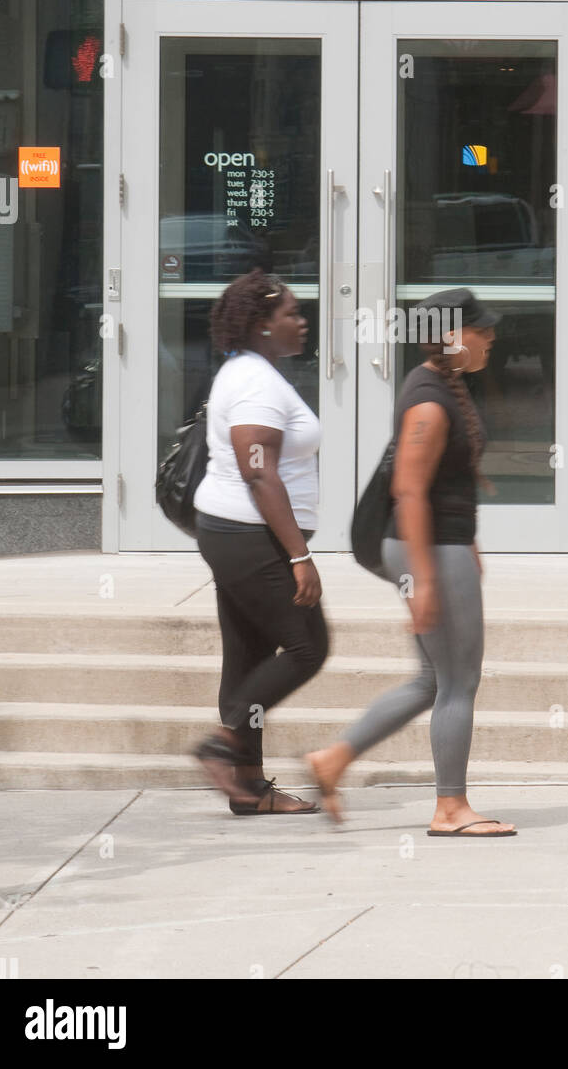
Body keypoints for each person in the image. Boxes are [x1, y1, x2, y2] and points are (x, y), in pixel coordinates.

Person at [306, 287, 517, 837]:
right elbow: (409, 490)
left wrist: (466, 541)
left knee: (431, 680)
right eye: (481, 328)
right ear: (452, 335)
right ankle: (450, 808)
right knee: (459, 681)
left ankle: (334, 759)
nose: (491, 335)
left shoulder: (447, 384)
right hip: (427, 551)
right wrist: (423, 580)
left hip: (443, 547)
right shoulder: (428, 398)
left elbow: (447, 480)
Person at [192, 269, 328, 815]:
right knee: (307, 647)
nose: (301, 320)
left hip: (236, 534)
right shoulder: (255, 383)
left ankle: (249, 789)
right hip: (250, 538)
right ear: (261, 326)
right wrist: (300, 555)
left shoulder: (252, 371)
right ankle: (223, 744)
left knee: (248, 657)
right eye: (291, 313)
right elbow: (258, 472)